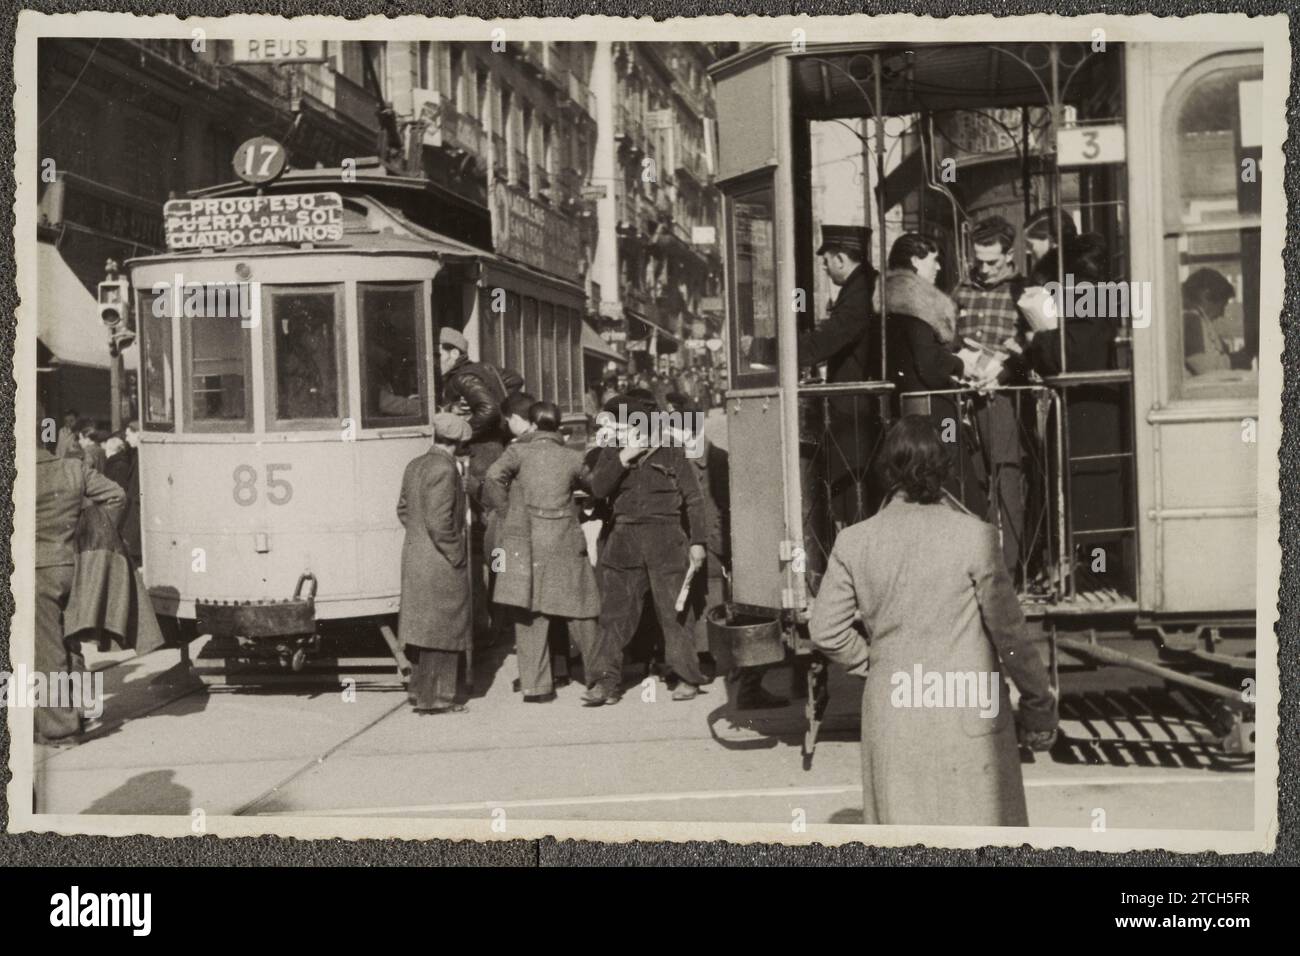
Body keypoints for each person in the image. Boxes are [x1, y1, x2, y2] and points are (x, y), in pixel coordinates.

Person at [808, 416, 1058, 826]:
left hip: (895, 714)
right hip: (969, 715)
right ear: (945, 469)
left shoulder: (855, 542)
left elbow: (825, 631)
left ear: (887, 471)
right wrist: (1038, 704)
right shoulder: (976, 536)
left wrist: (874, 662)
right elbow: (1009, 634)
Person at [584, 390, 710, 705]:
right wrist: (624, 456)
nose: (619, 428)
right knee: (615, 615)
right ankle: (604, 683)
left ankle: (686, 678)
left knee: (675, 613)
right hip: (624, 539)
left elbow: (694, 499)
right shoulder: (612, 450)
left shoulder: (672, 450)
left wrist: (698, 542)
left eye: (624, 422)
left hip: (666, 538)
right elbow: (598, 488)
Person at [485, 401, 602, 703]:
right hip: (564, 536)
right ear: (557, 426)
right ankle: (598, 680)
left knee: (530, 612)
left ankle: (536, 687)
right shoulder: (572, 457)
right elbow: (596, 487)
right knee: (582, 610)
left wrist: (507, 511)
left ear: (534, 426)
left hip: (528, 539)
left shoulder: (518, 453)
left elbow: (492, 477)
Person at [35, 401, 126, 743]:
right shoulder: (72, 470)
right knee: (69, 644)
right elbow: (117, 496)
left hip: (35, 572)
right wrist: (91, 539)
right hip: (71, 567)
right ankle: (82, 710)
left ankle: (60, 730)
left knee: (46, 653)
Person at [881, 233, 987, 514]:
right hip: (936, 410)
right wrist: (959, 363)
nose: (938, 267)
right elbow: (928, 361)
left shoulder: (891, 297)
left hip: (910, 409)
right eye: (934, 260)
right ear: (916, 260)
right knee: (953, 478)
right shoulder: (916, 302)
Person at [953, 215, 1027, 577]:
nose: (984, 269)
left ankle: (1008, 566)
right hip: (966, 398)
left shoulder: (1021, 291)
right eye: (978, 261)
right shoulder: (962, 290)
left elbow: (1030, 345)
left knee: (1006, 476)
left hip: (1003, 398)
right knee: (975, 478)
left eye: (992, 262)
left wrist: (1002, 370)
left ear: (1010, 255)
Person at [396, 412, 474, 715]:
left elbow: (403, 508)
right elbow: (440, 521)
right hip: (440, 560)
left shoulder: (415, 464)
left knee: (422, 631)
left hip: (416, 556)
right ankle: (439, 698)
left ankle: (419, 691)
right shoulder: (445, 469)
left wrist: (418, 537)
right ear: (458, 443)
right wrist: (457, 553)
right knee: (444, 630)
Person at [438, 326, 524, 500]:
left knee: (486, 504)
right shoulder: (481, 368)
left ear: (454, 353)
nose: (437, 360)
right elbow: (515, 380)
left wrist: (463, 433)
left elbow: (489, 410)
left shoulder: (462, 377)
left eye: (439, 354)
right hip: (495, 445)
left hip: (480, 452)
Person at [1182, 268, 1250, 375]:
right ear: (1206, 295)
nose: (1222, 313)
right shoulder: (1191, 319)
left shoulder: (1199, 319)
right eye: (1222, 306)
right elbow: (1205, 368)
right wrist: (1235, 361)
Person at [104, 421, 142, 567]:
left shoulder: (137, 456)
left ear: (137, 433)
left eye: (128, 435)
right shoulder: (135, 455)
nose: (126, 439)